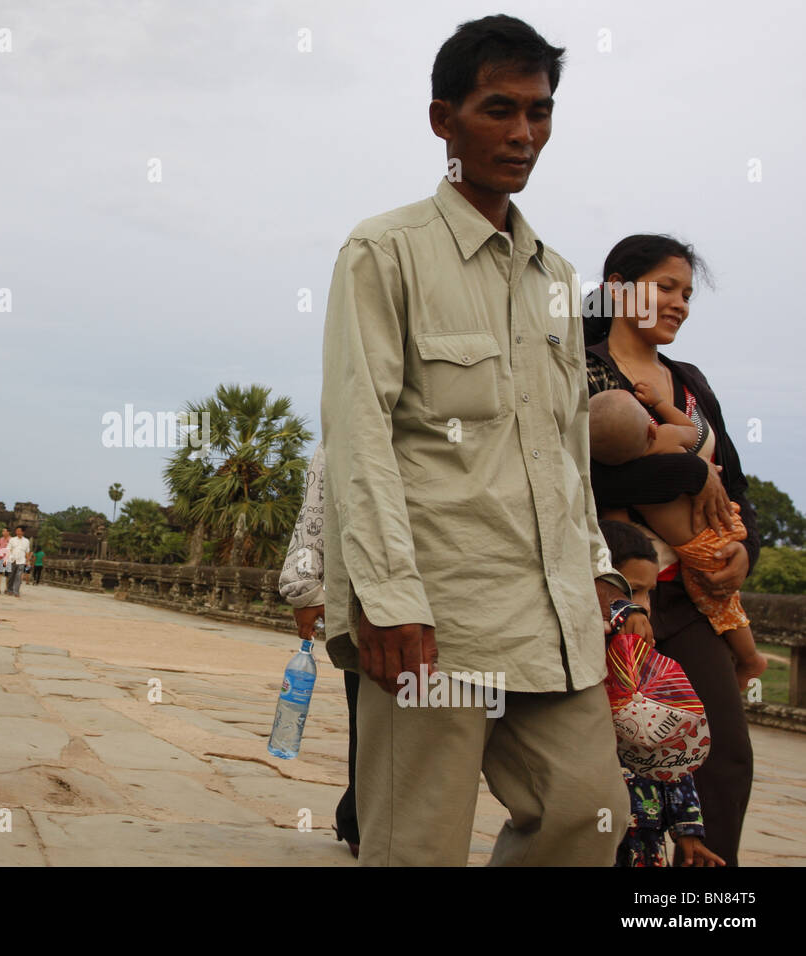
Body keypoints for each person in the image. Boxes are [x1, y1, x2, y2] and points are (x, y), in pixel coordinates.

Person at [320, 15, 637, 866]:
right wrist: (387, 597)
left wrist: (601, 572)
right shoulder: (384, 253)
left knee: (588, 811)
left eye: (540, 111)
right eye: (499, 109)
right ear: (442, 119)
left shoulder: (559, 280)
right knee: (415, 844)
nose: (524, 133)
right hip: (434, 608)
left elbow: (567, 448)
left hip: (552, 609)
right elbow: (359, 436)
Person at [584, 234, 760, 866]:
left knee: (722, 752)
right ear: (617, 286)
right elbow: (587, 480)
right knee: (610, 764)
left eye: (686, 293)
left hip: (691, 597)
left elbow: (734, 482)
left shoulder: (689, 383)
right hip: (614, 591)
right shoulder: (582, 369)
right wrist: (691, 475)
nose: (680, 303)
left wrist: (745, 554)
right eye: (665, 287)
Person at [588, 389, 765, 689]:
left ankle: (750, 659)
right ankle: (749, 658)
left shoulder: (620, 485)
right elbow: (691, 430)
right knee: (719, 600)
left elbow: (620, 538)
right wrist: (660, 404)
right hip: (721, 524)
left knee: (718, 602)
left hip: (706, 545)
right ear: (649, 427)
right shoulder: (664, 439)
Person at [599, 520, 725, 867]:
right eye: (632, 591)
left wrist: (689, 831)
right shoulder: (584, 668)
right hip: (595, 823)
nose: (645, 606)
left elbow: (673, 757)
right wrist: (624, 611)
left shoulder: (652, 672)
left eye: (648, 593)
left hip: (646, 835)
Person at [277, 443, 363, 859]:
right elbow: (324, 480)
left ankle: (359, 813)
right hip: (377, 592)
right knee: (374, 719)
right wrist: (304, 584)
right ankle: (361, 817)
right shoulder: (362, 395)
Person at [6, 526, 31, 597]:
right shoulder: (12, 540)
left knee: (19, 577)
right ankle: (9, 589)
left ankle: (16, 591)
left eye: (19, 531)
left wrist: (28, 561)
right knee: (11, 576)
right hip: (12, 560)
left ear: (23, 532)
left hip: (21, 561)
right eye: (17, 531)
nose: (18, 532)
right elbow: (8, 549)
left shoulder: (26, 541)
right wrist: (10, 557)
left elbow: (27, 552)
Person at [0, 529, 11, 594]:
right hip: (0, 558)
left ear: (8, 532)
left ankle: (6, 588)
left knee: (7, 575)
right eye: (2, 531)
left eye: (4, 531)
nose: (3, 532)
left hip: (7, 559)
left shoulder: (11, 540)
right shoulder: (1, 539)